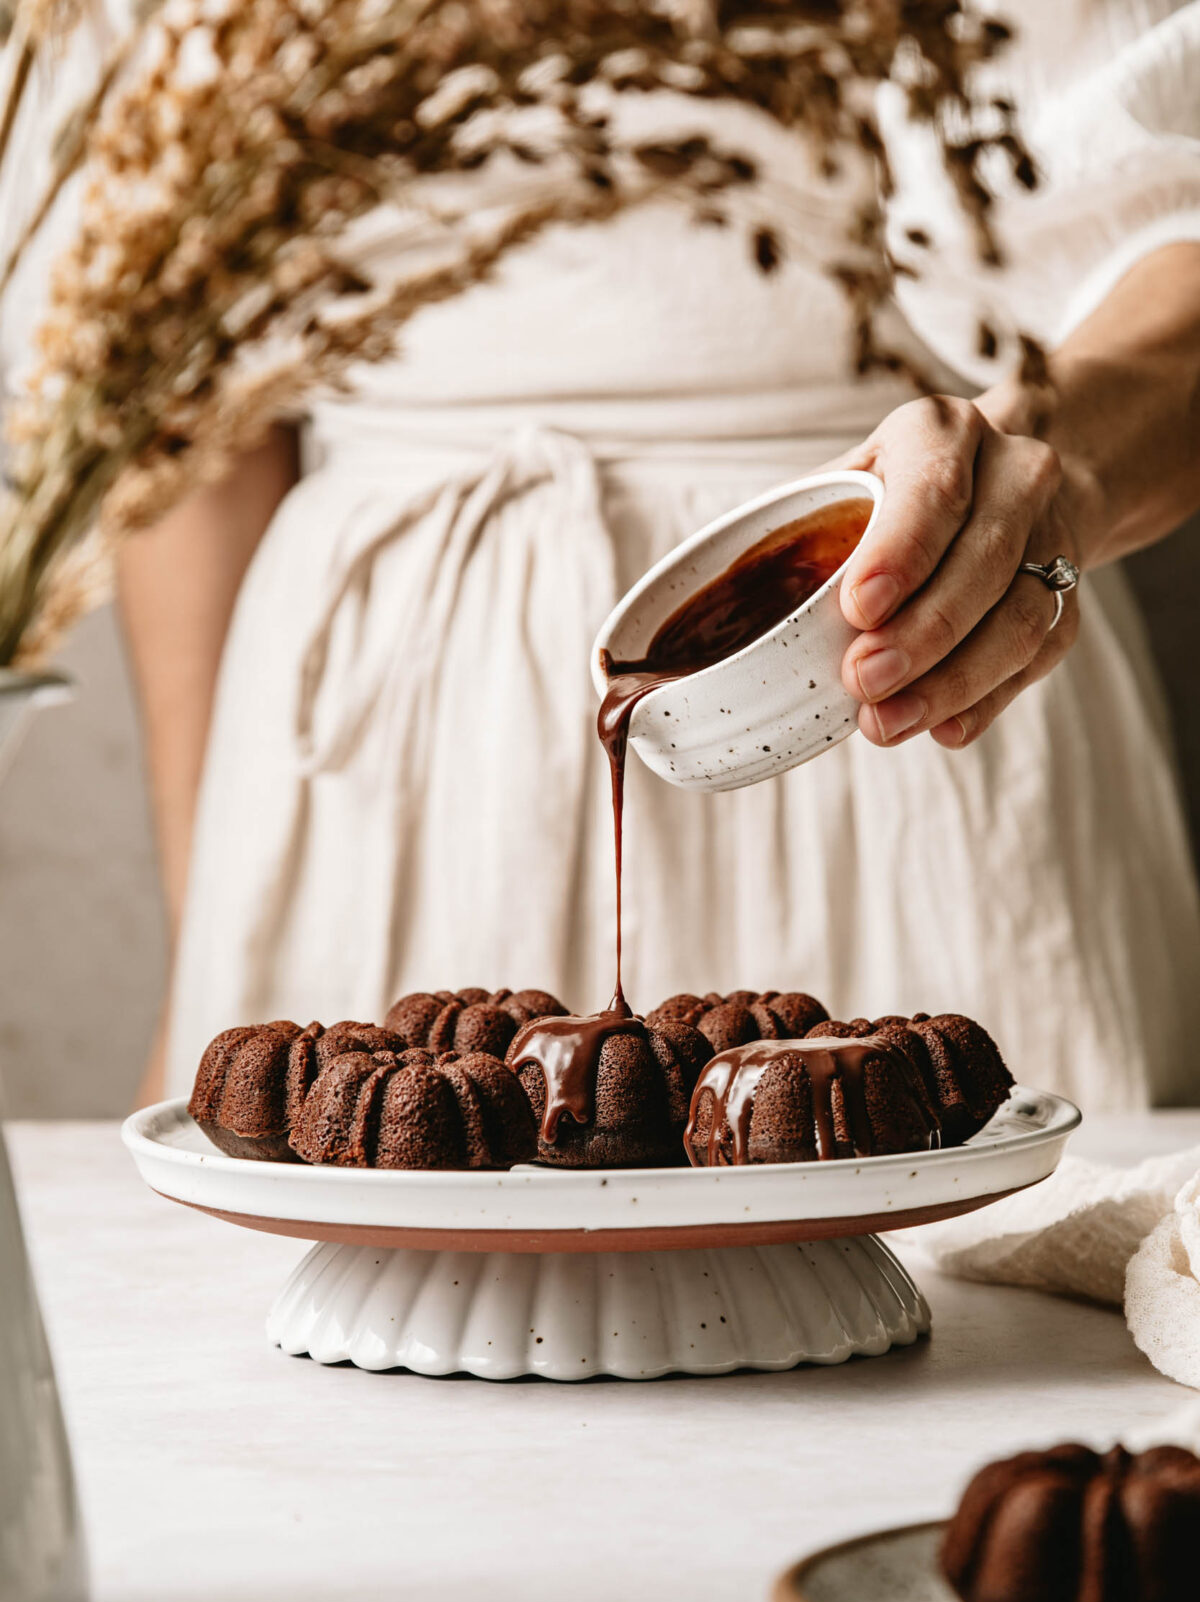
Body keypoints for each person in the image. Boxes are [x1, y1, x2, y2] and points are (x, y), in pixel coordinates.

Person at [113, 0, 1200, 1108]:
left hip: (884, 660)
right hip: (386, 742)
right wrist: (212, 922)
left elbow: (1173, 239)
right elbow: (181, 398)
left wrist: (1034, 478)